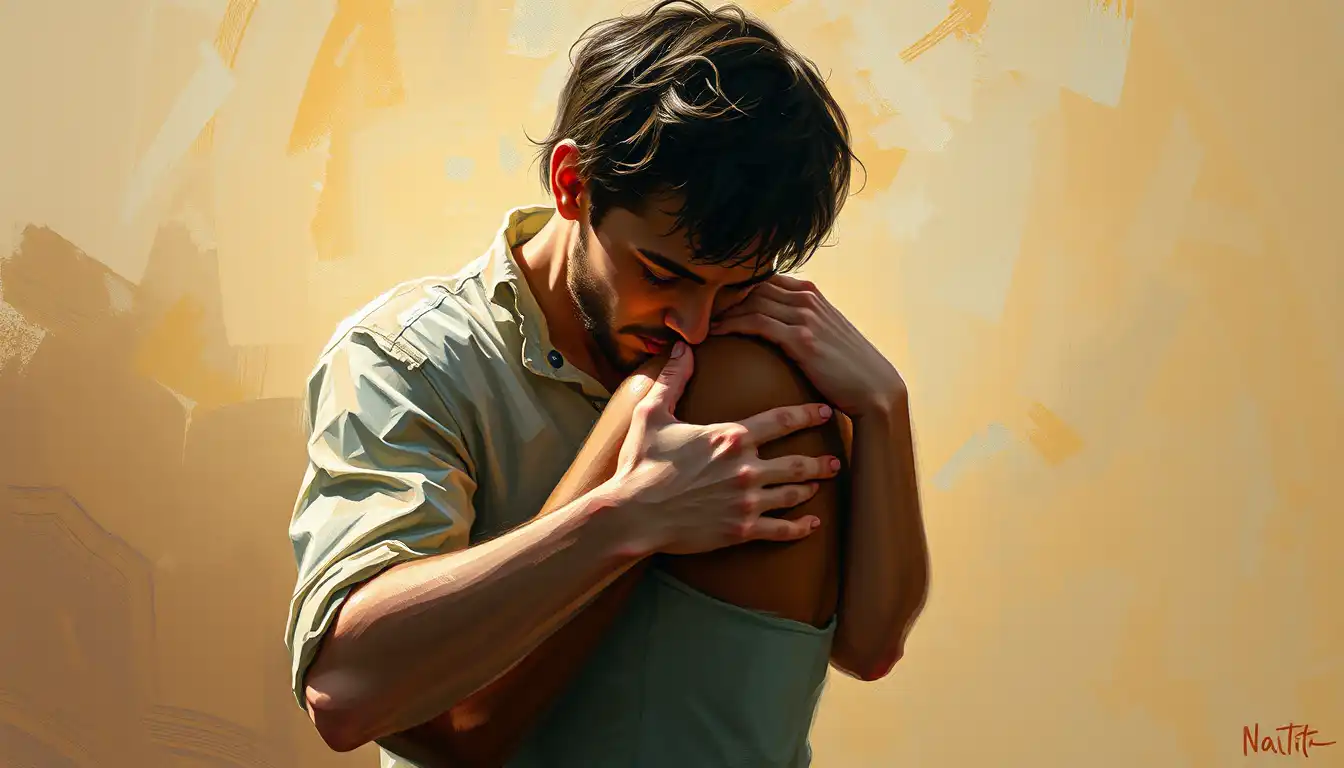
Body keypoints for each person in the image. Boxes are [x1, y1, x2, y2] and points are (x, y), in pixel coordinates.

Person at [283, 2, 930, 766]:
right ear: (573, 184)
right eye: (663, 273)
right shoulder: (410, 360)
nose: (695, 324)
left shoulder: (760, 352)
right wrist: (625, 517)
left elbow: (870, 647)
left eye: (735, 284)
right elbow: (343, 696)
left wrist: (884, 409)